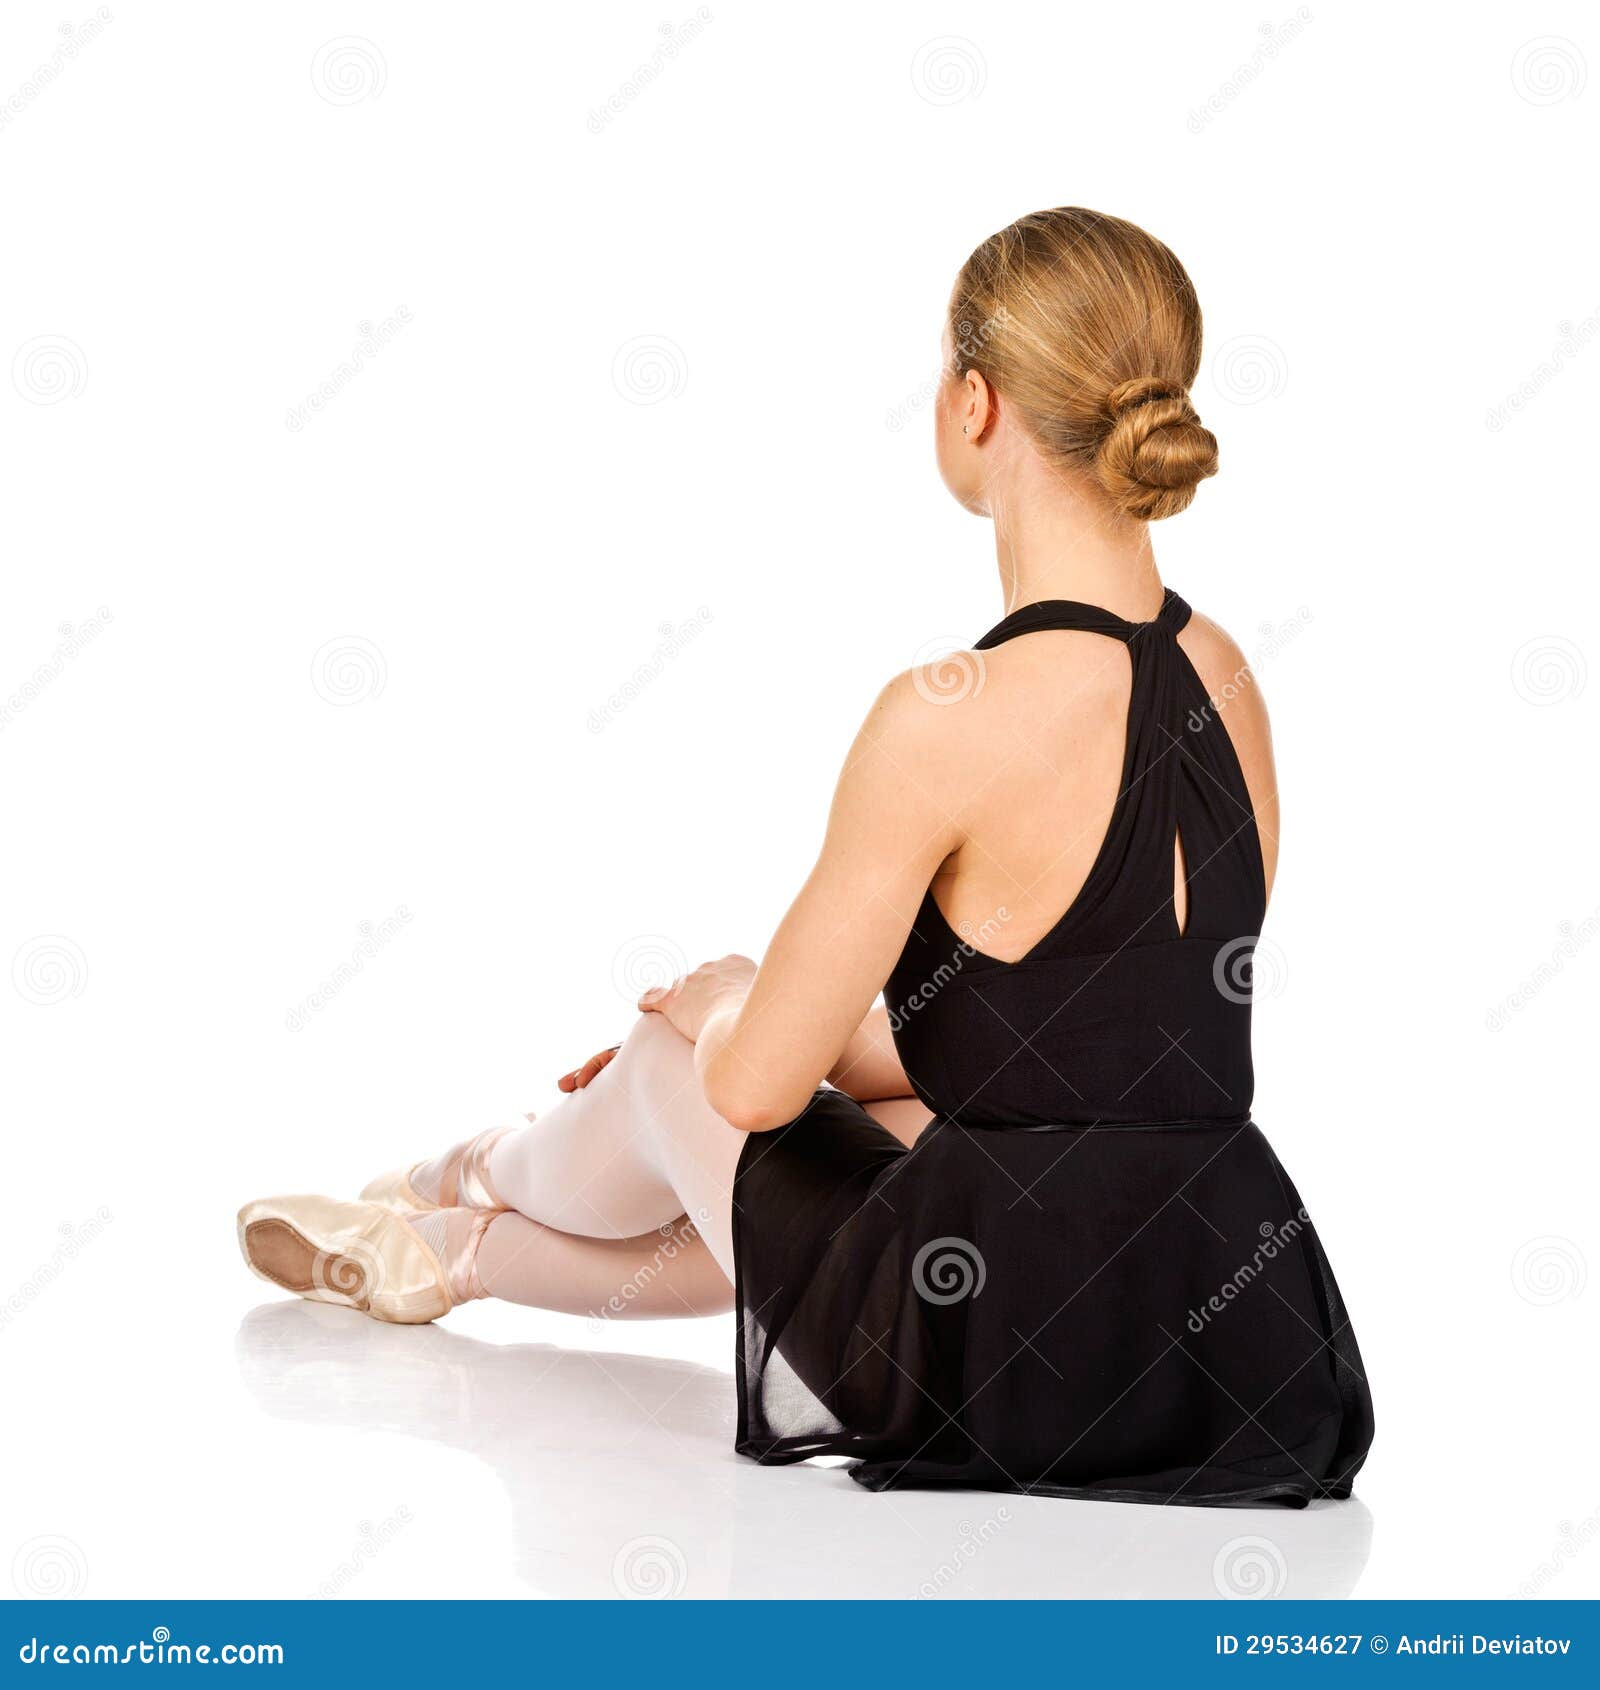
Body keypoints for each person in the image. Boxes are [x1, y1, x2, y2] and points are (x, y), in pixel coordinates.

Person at [240, 206, 1373, 1505]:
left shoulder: (948, 710)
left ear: (973, 403)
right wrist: (820, 1031)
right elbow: (1104, 1030)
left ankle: (469, 1169)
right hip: (1222, 1345)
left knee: (684, 1056)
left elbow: (754, 1097)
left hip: (991, 1360)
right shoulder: (1226, 675)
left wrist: (730, 1003)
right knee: (888, 1110)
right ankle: (444, 1253)